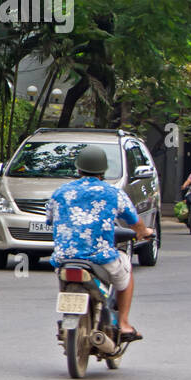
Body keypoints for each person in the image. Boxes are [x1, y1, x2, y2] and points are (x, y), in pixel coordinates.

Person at [46, 145, 154, 341]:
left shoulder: (60, 192)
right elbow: (135, 221)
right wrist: (144, 232)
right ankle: (123, 323)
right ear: (103, 170)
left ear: (78, 169)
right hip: (100, 257)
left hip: (64, 258)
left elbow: (50, 218)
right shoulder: (113, 193)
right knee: (126, 272)